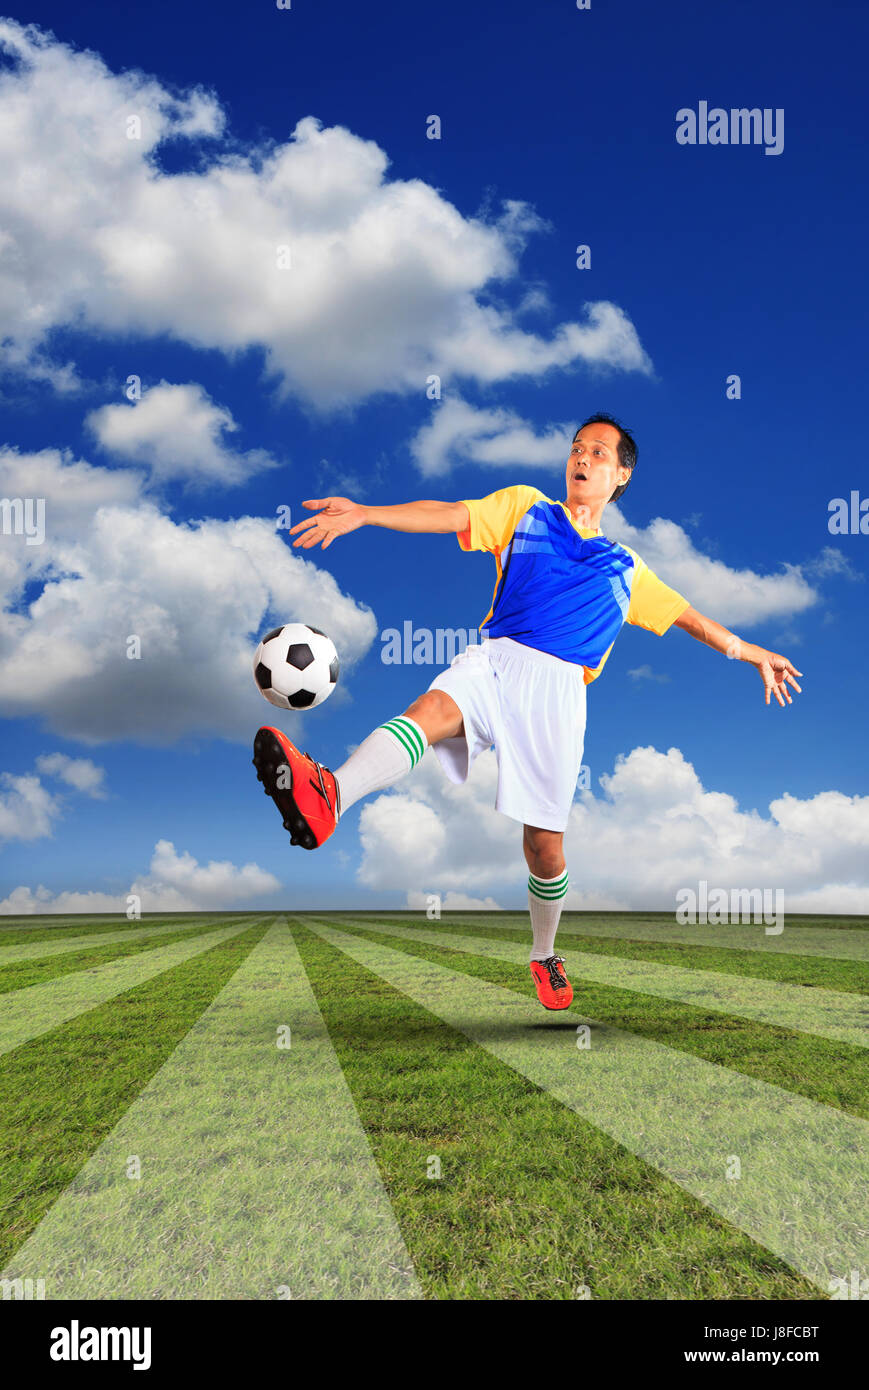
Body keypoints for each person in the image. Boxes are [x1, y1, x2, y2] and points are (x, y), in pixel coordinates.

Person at [252, 412, 802, 1010]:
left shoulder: (628, 569)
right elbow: (451, 513)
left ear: (622, 474)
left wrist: (752, 654)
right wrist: (366, 513)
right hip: (497, 658)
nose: (582, 458)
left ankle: (544, 954)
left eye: (598, 451)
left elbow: (693, 620)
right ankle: (331, 794)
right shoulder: (526, 508)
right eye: (576, 448)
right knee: (432, 709)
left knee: (544, 846)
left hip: (559, 695)